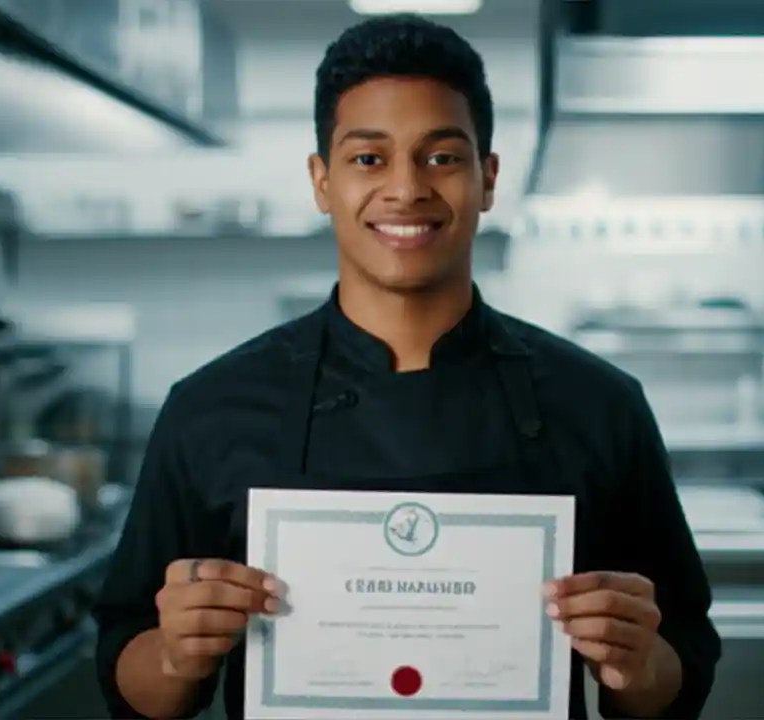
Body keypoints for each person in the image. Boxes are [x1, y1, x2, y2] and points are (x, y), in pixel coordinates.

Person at [92, 13, 720, 720]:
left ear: (487, 178)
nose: (406, 188)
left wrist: (638, 665)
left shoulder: (601, 404)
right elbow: (127, 669)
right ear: (322, 181)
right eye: (368, 159)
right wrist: (175, 656)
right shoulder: (208, 408)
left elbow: (685, 657)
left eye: (441, 157)